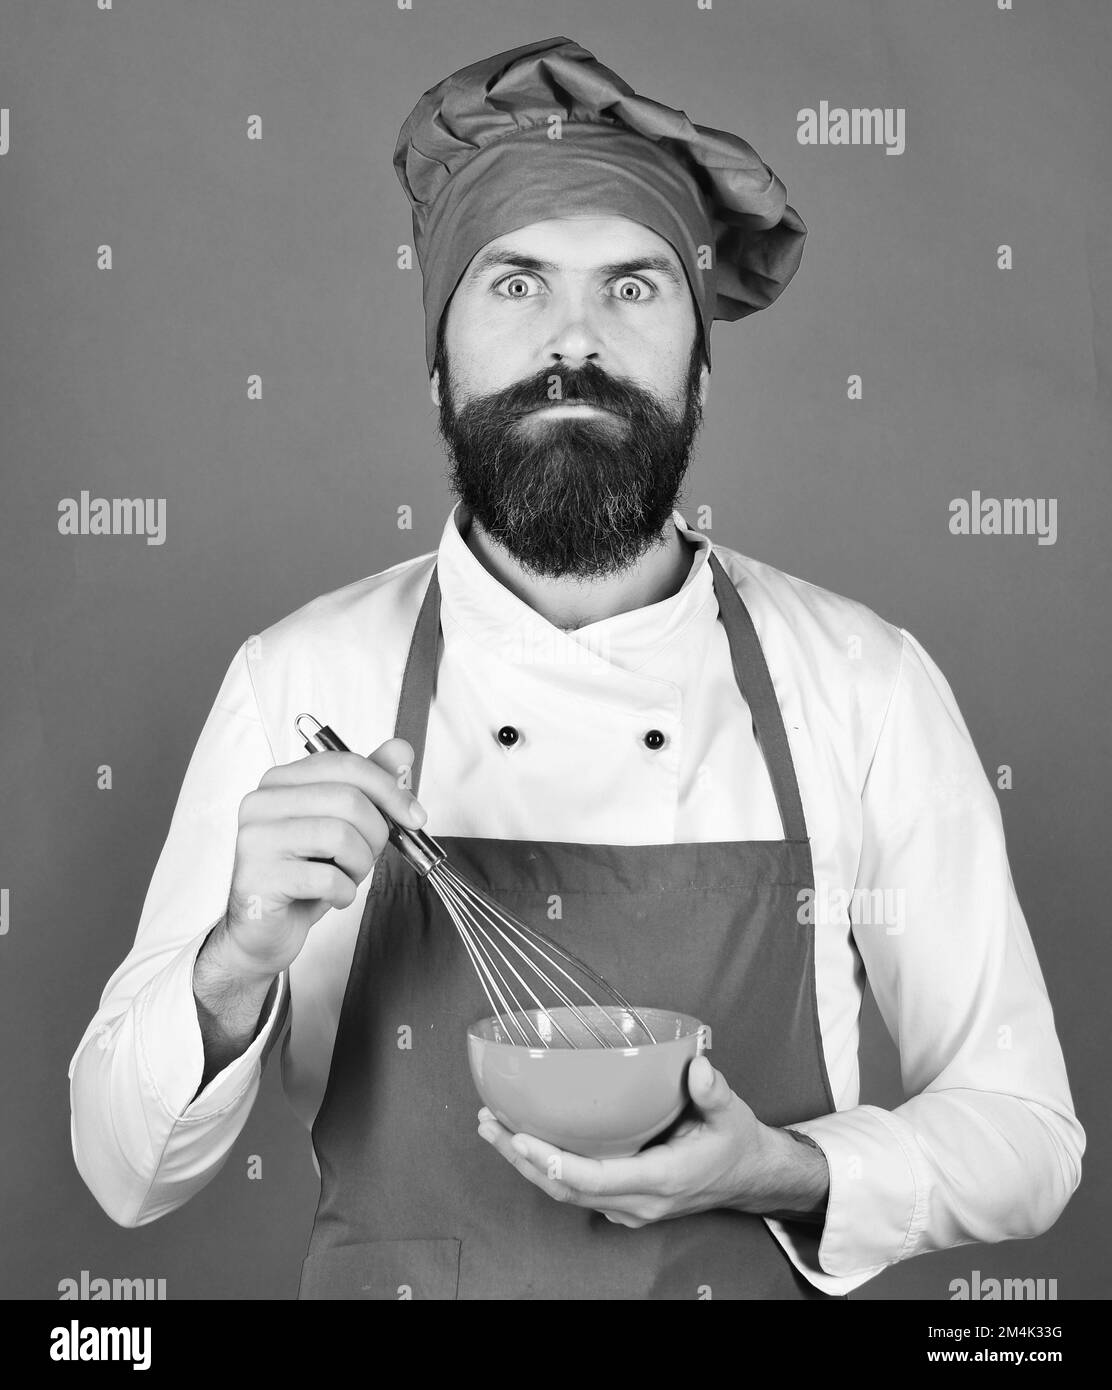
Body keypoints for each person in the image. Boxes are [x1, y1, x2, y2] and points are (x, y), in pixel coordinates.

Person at [69, 36, 1083, 1300]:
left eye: (633, 289)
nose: (574, 344)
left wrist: (777, 1168)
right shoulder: (301, 677)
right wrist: (234, 960)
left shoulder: (860, 680)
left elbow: (1027, 1136)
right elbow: (123, 1175)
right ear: (436, 359)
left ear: (700, 367)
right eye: (516, 285)